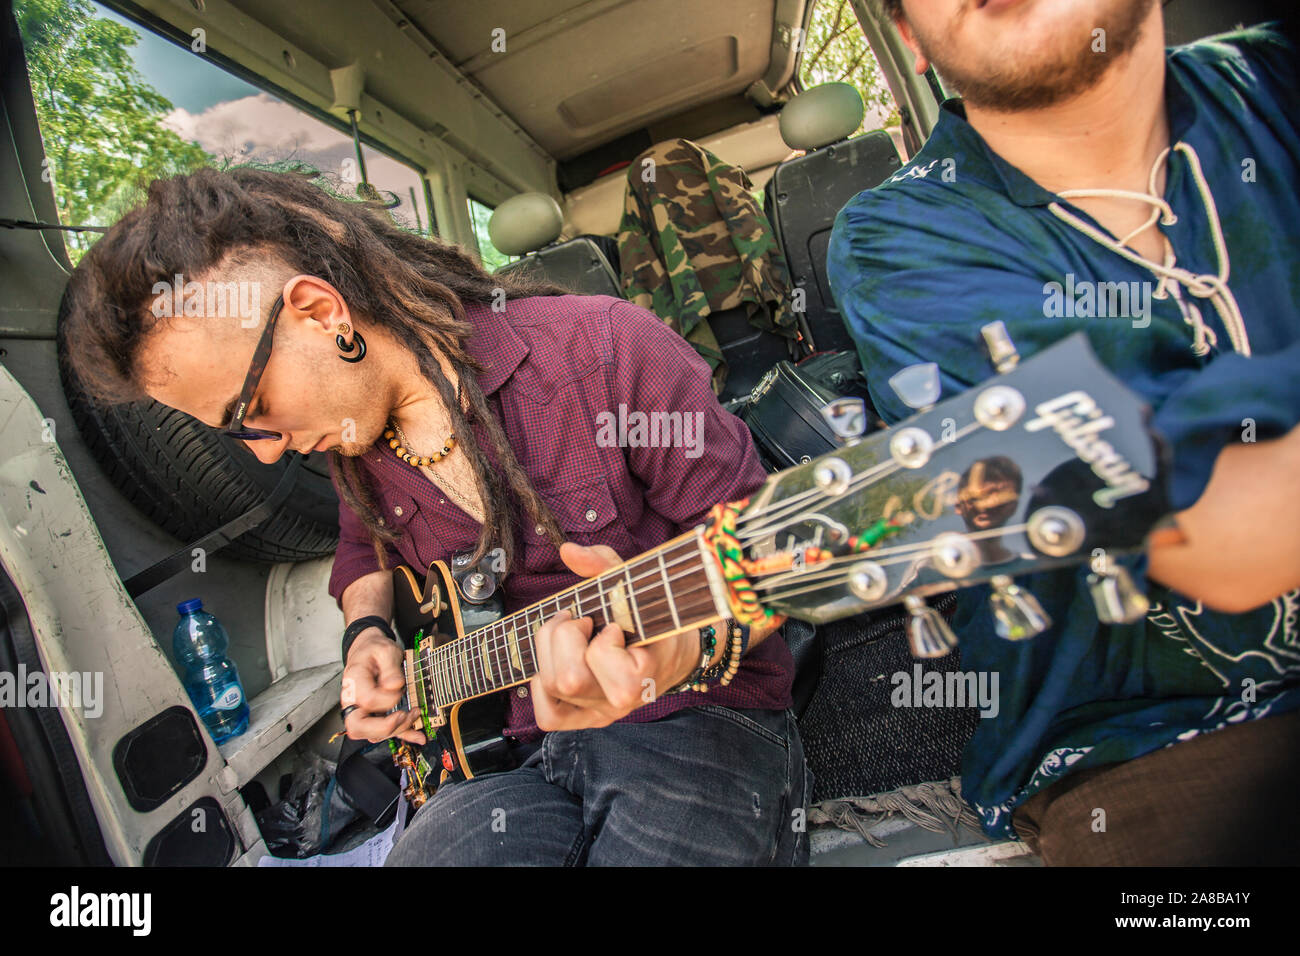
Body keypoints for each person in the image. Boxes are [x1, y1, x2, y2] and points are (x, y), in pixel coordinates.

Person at [61, 166, 811, 866]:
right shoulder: (352, 442)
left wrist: (674, 654)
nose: (261, 454)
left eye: (251, 413)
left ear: (319, 313)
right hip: (500, 748)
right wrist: (368, 634)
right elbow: (364, 552)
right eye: (236, 435)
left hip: (692, 714)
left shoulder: (607, 348)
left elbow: (776, 558)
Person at [828, 0, 1300, 864]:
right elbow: (1218, 530)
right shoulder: (899, 234)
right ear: (907, 32)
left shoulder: (1277, 80)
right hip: (1157, 737)